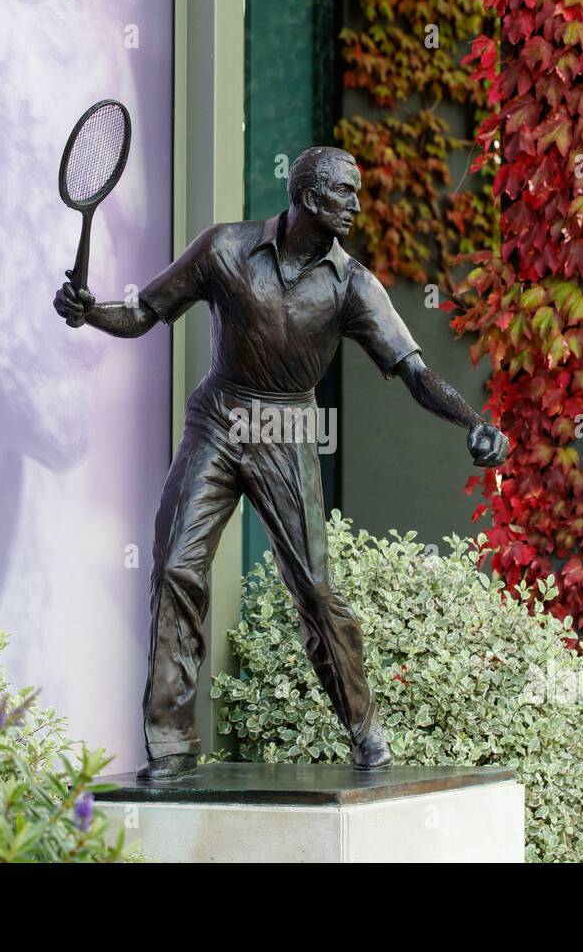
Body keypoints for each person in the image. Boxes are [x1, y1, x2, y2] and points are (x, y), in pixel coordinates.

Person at [53, 146, 510, 780]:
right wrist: (91, 311)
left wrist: (473, 422)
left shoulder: (353, 284)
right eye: (343, 193)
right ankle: (171, 743)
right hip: (219, 418)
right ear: (306, 196)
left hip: (288, 430)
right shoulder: (223, 250)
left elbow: (415, 373)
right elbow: (141, 314)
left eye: (356, 191)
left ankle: (366, 732)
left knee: (317, 593)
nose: (355, 204)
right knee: (176, 568)